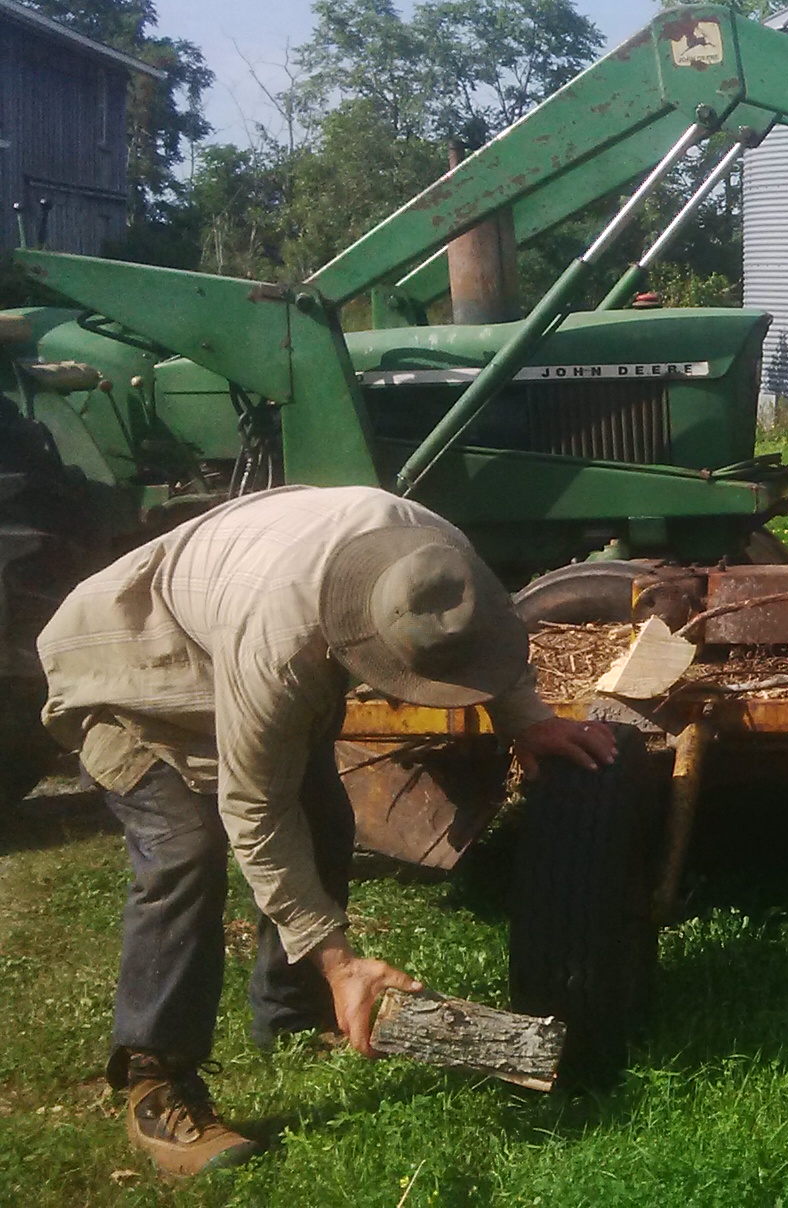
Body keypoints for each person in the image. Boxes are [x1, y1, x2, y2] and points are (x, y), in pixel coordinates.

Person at [37, 485, 619, 1179]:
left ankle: (290, 1018)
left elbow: (481, 636)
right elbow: (254, 810)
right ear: (358, 641)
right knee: (185, 850)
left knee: (324, 823)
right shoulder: (281, 652)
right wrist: (341, 961)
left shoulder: (437, 560)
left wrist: (528, 719)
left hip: (228, 641)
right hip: (127, 667)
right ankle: (155, 1082)